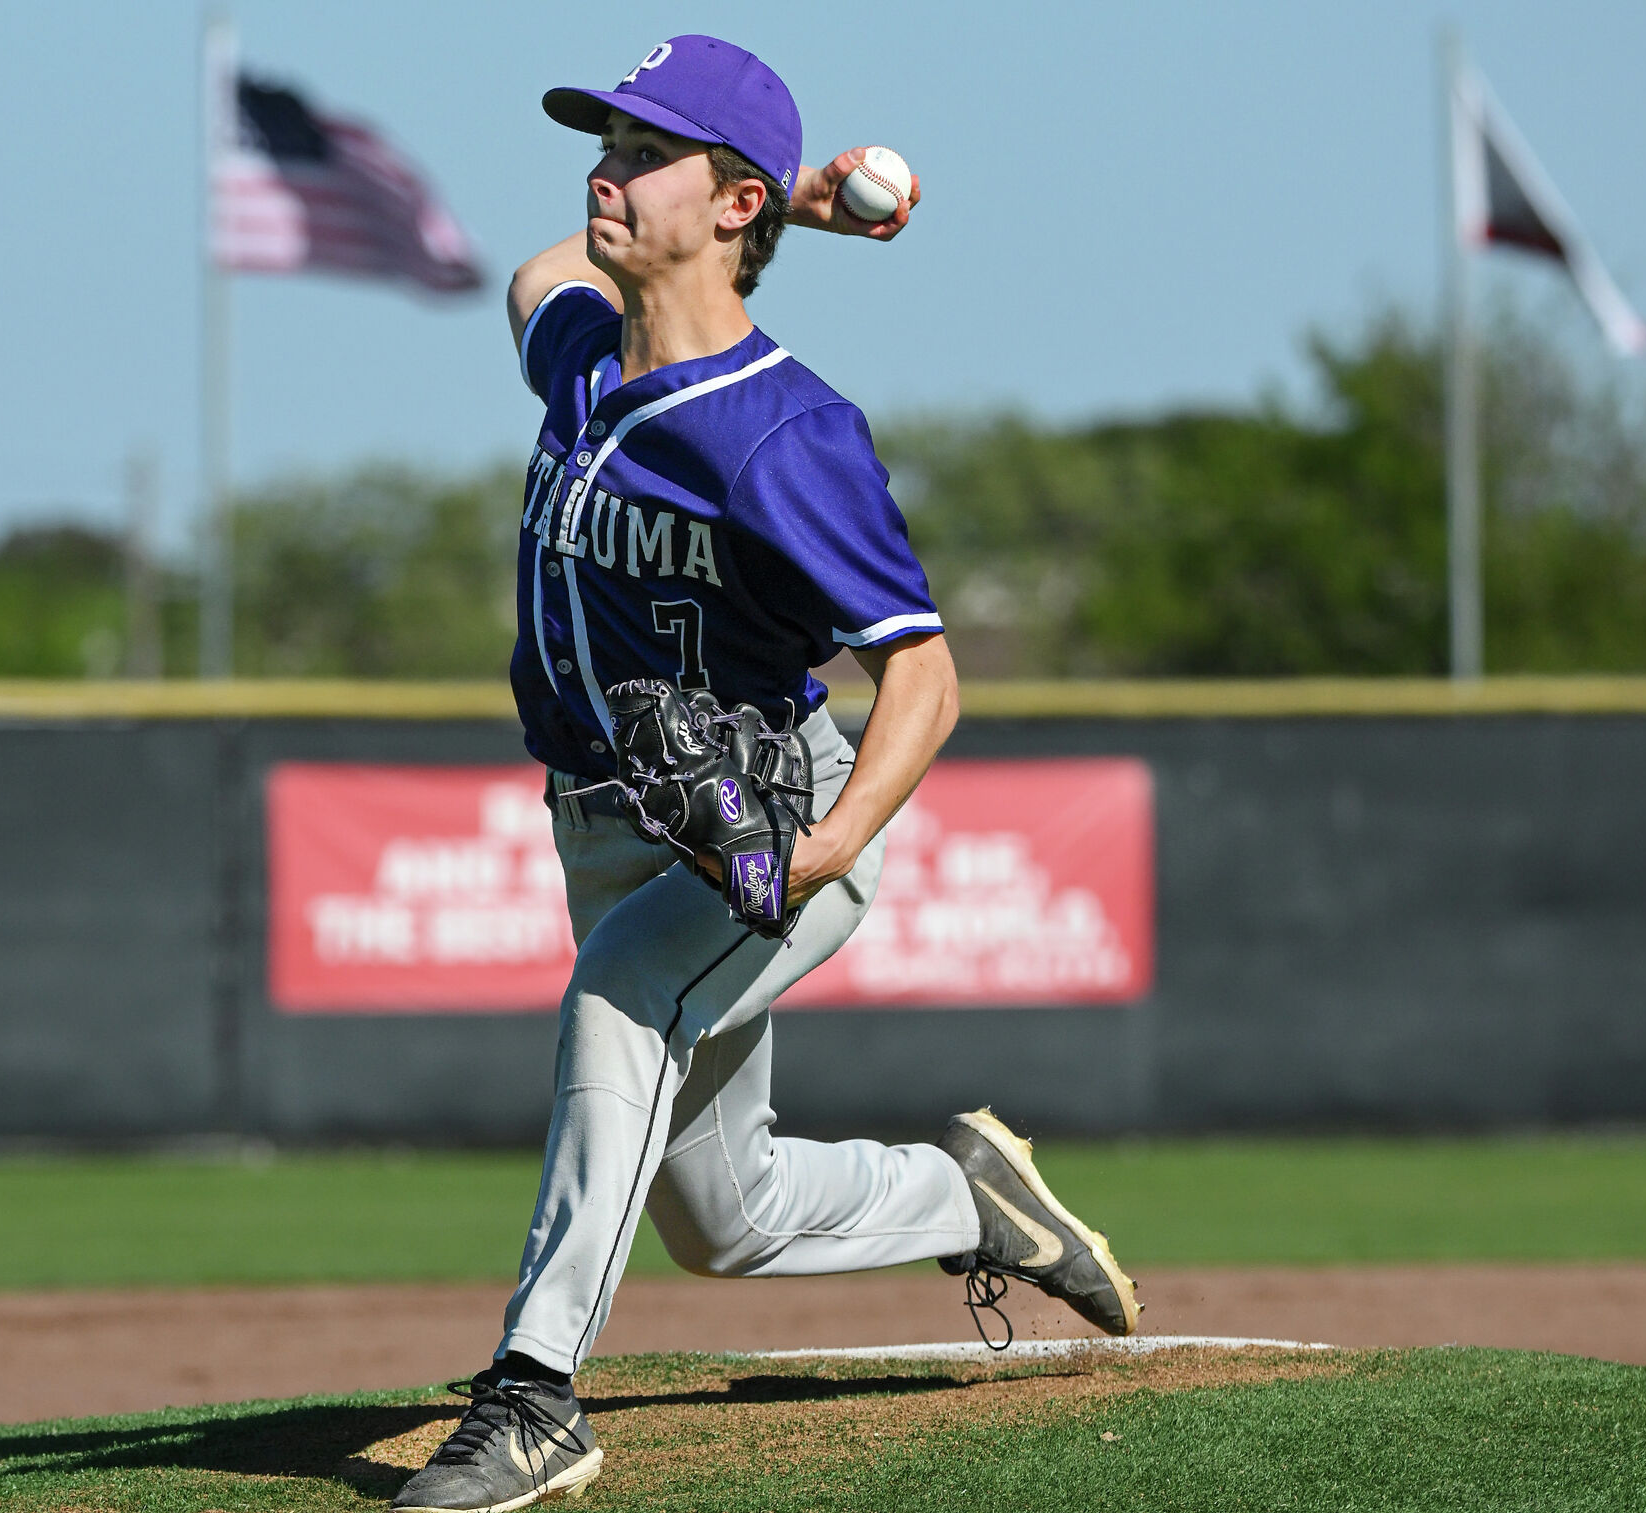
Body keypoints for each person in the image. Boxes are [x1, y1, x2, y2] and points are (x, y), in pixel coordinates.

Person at [389, 36, 1138, 1513]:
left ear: (722, 204)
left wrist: (821, 850)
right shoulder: (585, 361)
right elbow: (542, 276)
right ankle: (967, 1197)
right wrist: (785, 191)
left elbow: (923, 674)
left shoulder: (785, 434)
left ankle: (535, 1396)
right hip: (611, 819)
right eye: (604, 139)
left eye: (644, 147)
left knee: (618, 998)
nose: (605, 166)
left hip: (771, 823)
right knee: (722, 1217)